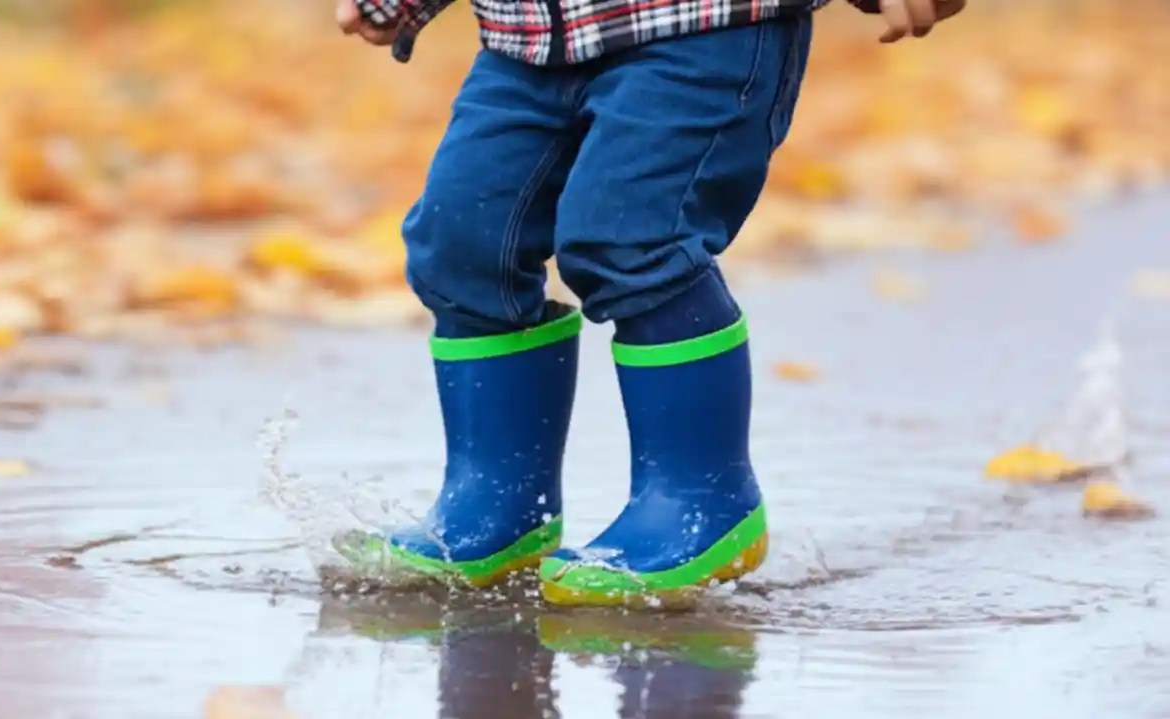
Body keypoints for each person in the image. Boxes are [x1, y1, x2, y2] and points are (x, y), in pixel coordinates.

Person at [332, 0, 966, 607]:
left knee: (631, 236)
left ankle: (700, 499)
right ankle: (496, 503)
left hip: (700, 30)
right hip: (525, 38)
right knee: (462, 241)